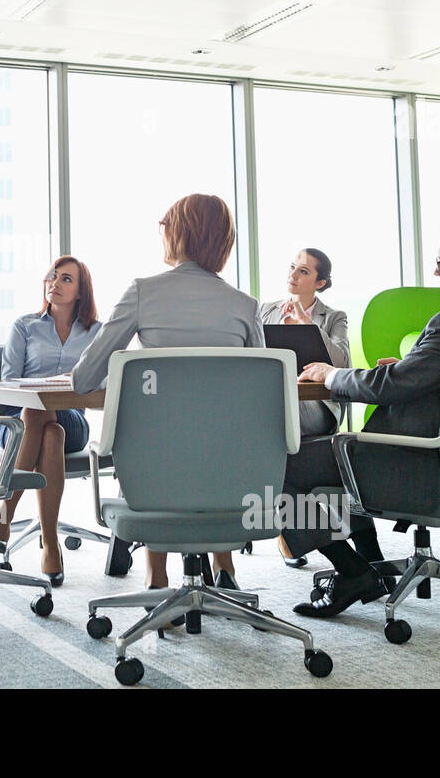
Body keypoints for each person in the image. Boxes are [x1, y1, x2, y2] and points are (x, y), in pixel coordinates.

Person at [71, 194, 263, 591]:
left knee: (150, 433)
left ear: (177, 234)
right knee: (211, 437)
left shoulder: (143, 291)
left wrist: (131, 381)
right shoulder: (245, 306)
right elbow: (260, 391)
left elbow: (83, 380)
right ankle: (224, 567)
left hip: (154, 468)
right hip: (232, 467)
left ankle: (156, 577)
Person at [284, 217, 440, 618]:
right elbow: (434, 383)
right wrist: (410, 368)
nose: (435, 271)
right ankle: (372, 568)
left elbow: (388, 387)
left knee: (282, 466)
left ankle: (353, 571)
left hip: (412, 464)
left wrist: (329, 375)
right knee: (329, 459)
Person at [0, 256, 102, 586]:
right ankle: (51, 543)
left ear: (81, 291)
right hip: (19, 424)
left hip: (73, 417)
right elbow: (8, 382)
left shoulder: (96, 332)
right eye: (52, 277)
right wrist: (41, 391)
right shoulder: (25, 325)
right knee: (47, 429)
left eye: (66, 279)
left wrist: (66, 383)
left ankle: (3, 515)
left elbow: (105, 382)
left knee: (50, 419)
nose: (55, 283)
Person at [256, 247, 351, 568]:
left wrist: (307, 326)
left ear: (320, 283)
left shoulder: (334, 317)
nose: (293, 276)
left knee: (263, 432)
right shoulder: (265, 311)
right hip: (277, 401)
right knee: (270, 445)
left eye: (303, 272)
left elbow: (343, 361)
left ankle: (295, 535)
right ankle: (295, 535)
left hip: (316, 406)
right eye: (292, 268)